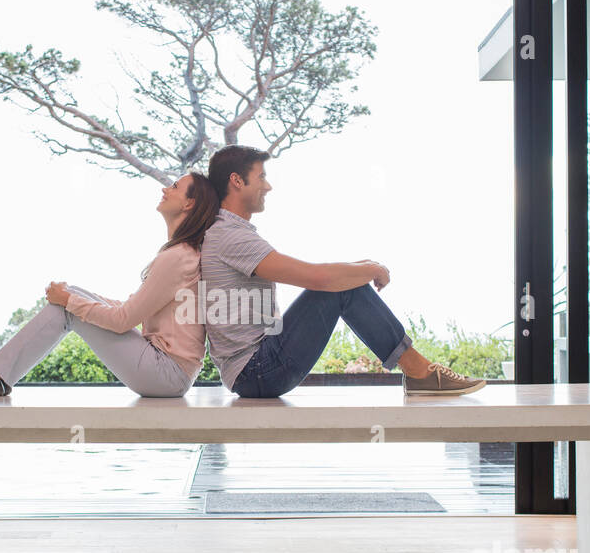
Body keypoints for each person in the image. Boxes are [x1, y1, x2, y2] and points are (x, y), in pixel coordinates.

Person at [200, 145, 486, 398]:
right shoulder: (229, 235)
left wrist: (363, 268)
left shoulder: (229, 232)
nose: (269, 186)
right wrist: (370, 269)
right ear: (236, 181)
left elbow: (321, 276)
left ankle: (419, 371)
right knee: (336, 290)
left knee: (342, 285)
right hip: (257, 372)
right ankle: (420, 372)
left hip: (257, 369)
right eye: (261, 176)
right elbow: (317, 278)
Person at [0, 172, 217, 398]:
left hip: (166, 374)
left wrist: (68, 302)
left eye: (175, 186)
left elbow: (123, 321)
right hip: (168, 372)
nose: (165, 189)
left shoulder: (177, 257)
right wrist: (71, 295)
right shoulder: (179, 254)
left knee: (67, 309)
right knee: (70, 299)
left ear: (188, 203)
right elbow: (130, 308)